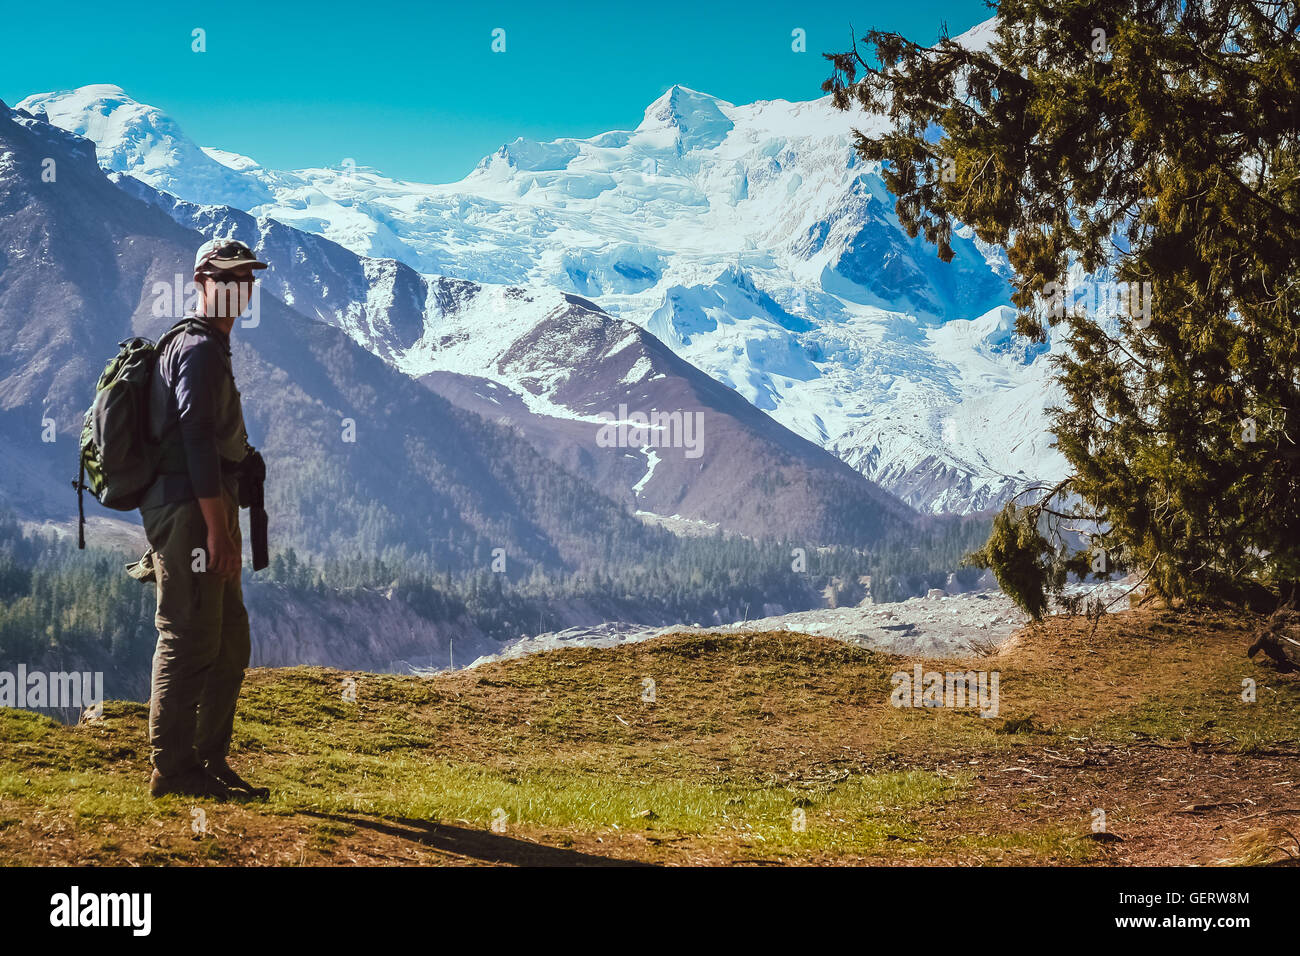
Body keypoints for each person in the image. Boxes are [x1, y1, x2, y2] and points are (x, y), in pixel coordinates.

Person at [138, 237, 269, 800]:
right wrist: (217, 528)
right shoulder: (196, 348)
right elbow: (193, 437)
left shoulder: (209, 346)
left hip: (206, 508)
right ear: (201, 281)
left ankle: (208, 760)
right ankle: (173, 771)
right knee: (188, 637)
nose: (239, 288)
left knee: (229, 640)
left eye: (247, 279)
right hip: (194, 514)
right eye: (227, 277)